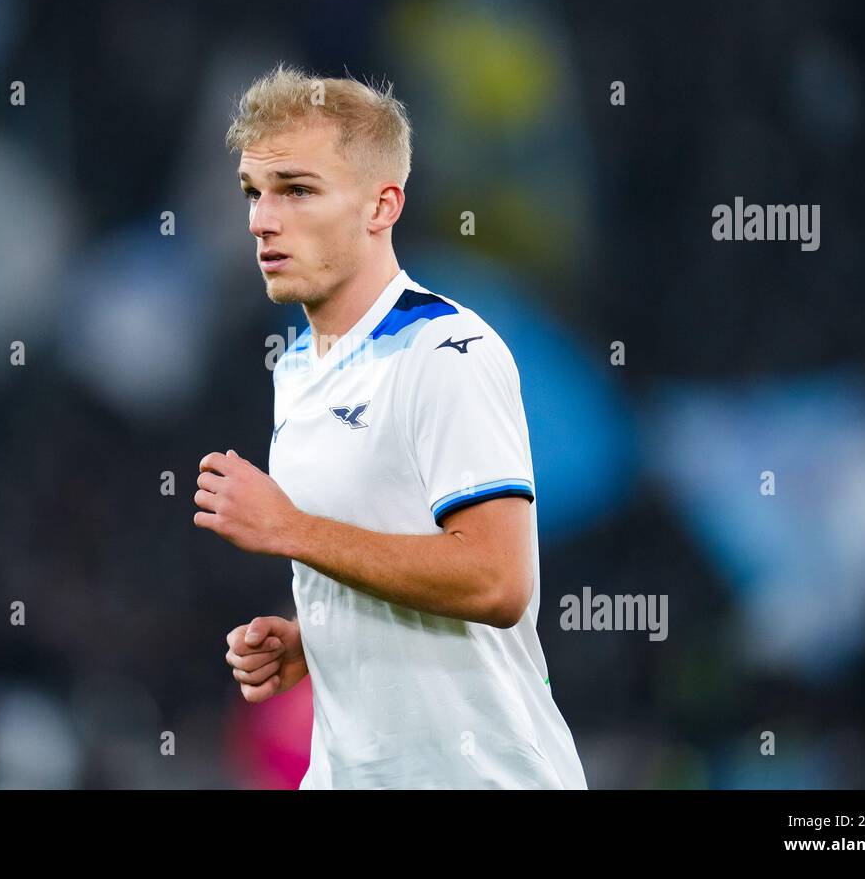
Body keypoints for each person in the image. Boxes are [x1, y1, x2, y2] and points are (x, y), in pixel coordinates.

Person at [195, 63, 587, 789]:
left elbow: (496, 582)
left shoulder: (446, 352)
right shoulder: (298, 369)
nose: (262, 220)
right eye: (255, 193)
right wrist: (318, 637)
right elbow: (385, 543)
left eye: (298, 190)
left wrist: (287, 529)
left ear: (382, 207)